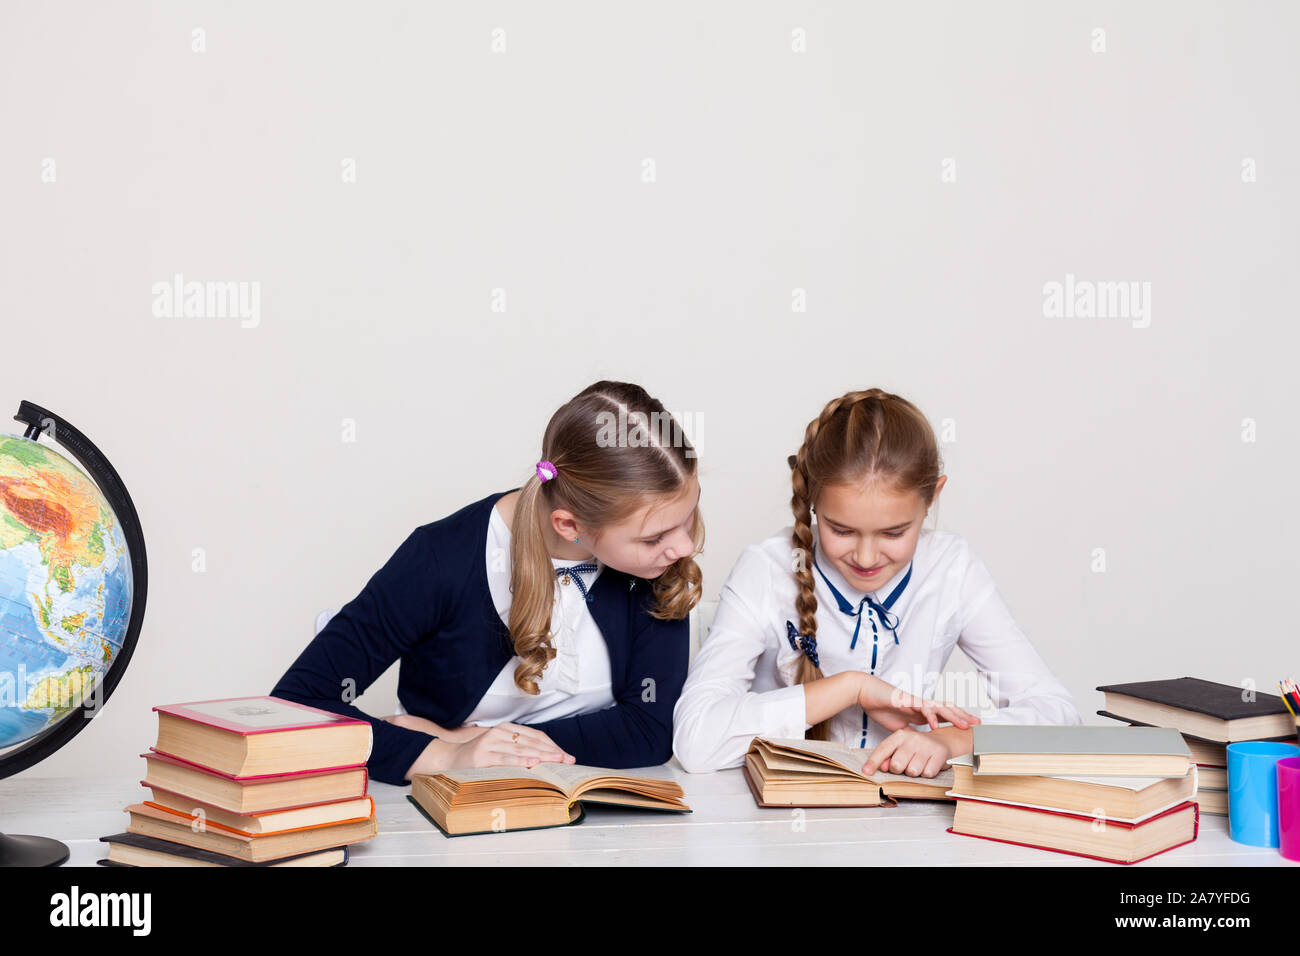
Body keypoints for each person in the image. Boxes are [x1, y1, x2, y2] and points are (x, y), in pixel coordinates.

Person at [272, 381, 703, 786]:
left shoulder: (653, 566)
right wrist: (442, 758)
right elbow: (297, 707)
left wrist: (469, 739)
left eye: (688, 518)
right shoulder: (441, 558)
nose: (684, 547)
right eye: (654, 538)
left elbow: (649, 728)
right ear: (569, 525)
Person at [673, 387, 1080, 778]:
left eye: (893, 533)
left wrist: (954, 740)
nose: (866, 558)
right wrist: (852, 688)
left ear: (932, 497)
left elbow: (1058, 713)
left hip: (905, 821)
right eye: (841, 530)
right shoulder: (765, 568)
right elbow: (696, 741)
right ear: (812, 497)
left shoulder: (952, 569)